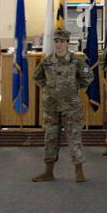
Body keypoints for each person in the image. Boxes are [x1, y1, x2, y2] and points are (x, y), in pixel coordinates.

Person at [31, 28, 92, 183]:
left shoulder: (77, 61)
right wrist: (47, 88)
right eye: (56, 41)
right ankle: (48, 171)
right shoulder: (46, 62)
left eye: (62, 42)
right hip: (51, 106)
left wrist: (74, 87)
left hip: (71, 107)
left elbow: (88, 76)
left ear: (67, 43)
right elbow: (36, 76)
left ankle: (79, 170)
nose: (58, 45)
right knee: (50, 138)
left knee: (74, 138)